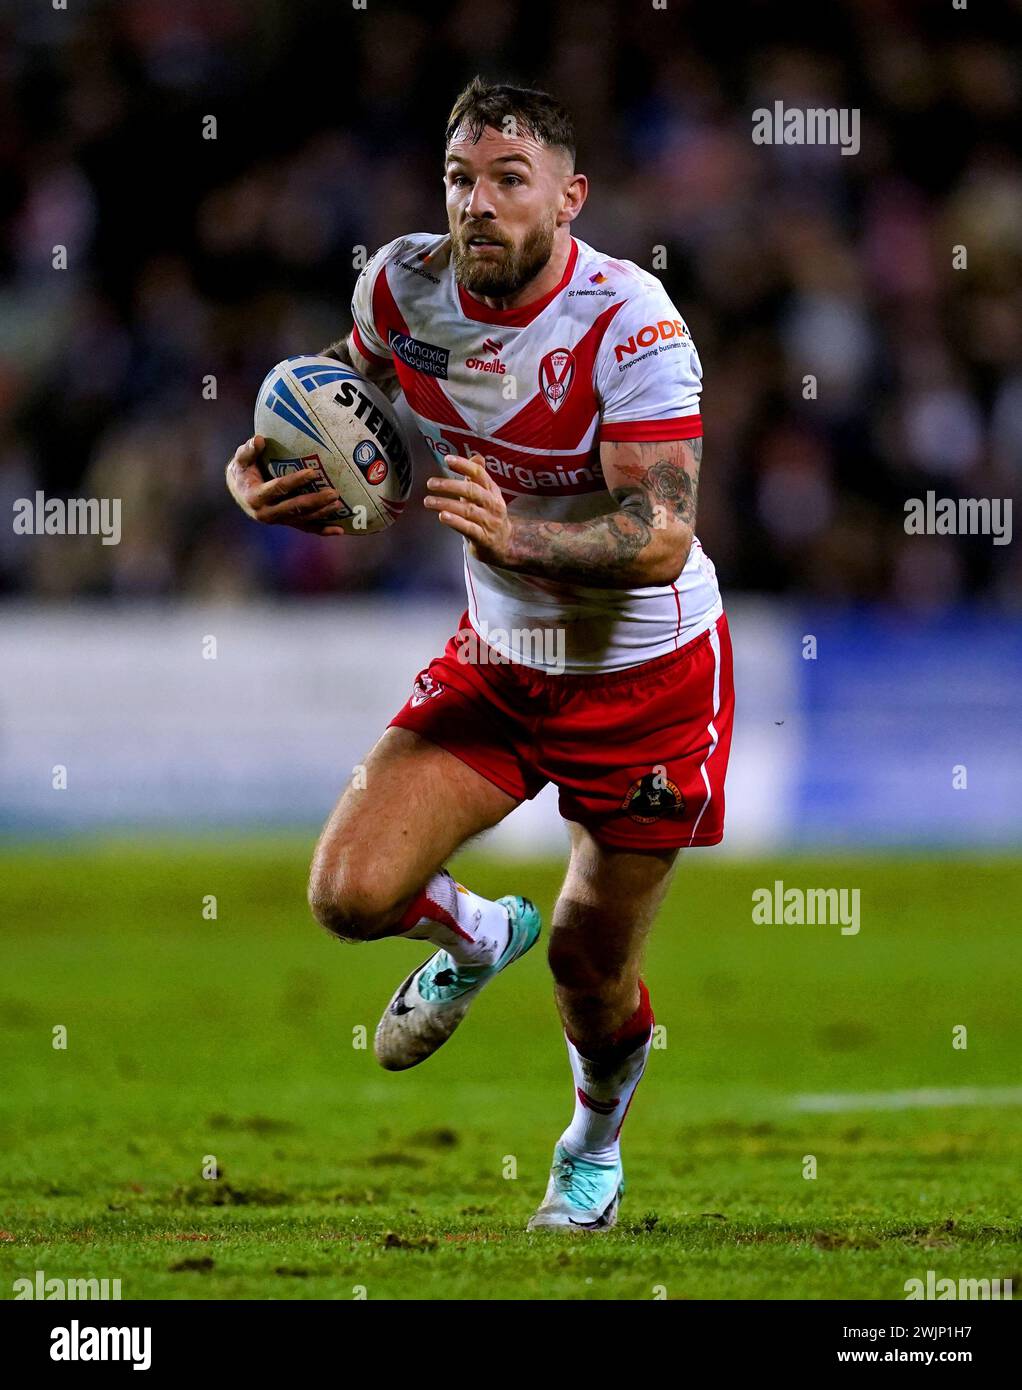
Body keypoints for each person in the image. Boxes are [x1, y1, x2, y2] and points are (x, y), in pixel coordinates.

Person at [226, 77, 734, 1232]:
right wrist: (265, 462)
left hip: (645, 680)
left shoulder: (630, 323)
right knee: (349, 894)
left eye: (509, 179)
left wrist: (518, 537)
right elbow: (338, 385)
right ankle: (475, 931)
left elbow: (660, 532)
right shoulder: (399, 286)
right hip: (500, 658)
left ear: (568, 197)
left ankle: (589, 1148)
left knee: (588, 970)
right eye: (460, 178)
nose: (478, 203)